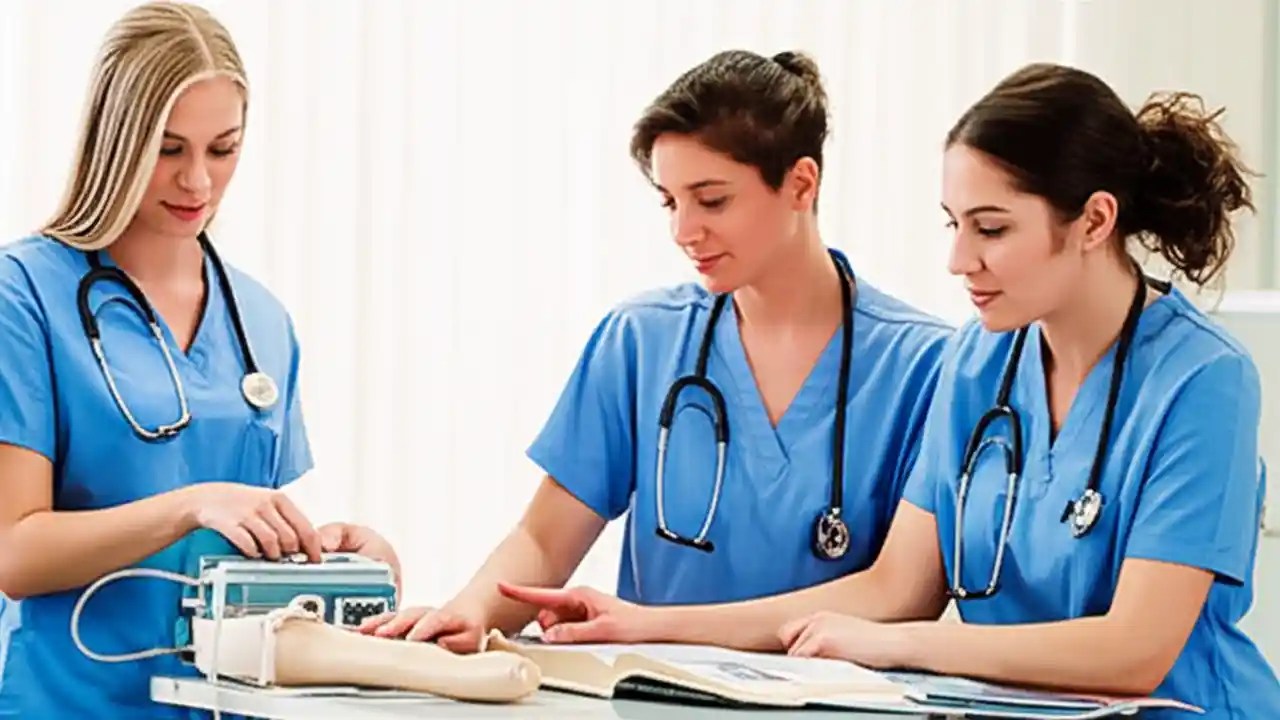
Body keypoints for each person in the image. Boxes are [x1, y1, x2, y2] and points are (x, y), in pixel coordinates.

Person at [496, 62, 1280, 718]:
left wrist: (902, 645)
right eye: (953, 225)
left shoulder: (1203, 379)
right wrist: (647, 626)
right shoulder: (979, 363)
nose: (959, 260)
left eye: (992, 228)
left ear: (1094, 220)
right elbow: (896, 585)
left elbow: (1134, 651)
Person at [360, 49, 953, 650]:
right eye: (671, 201)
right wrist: (473, 610)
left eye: (712, 199)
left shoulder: (925, 365)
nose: (683, 231)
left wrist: (649, 627)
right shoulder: (643, 340)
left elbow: (901, 596)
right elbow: (544, 539)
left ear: (801, 184)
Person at [0, 3, 400, 717]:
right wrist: (190, 505)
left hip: (228, 707)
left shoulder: (260, 320)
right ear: (113, 140)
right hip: (69, 703)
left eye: (223, 149)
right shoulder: (24, 295)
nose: (198, 184)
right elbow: (15, 554)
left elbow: (242, 546)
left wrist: (333, 554)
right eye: (168, 148)